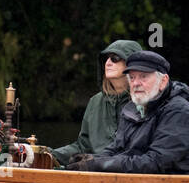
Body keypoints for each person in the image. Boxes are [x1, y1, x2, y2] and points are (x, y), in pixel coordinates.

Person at [65, 50, 189, 174]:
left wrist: (97, 165)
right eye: (132, 77)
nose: (136, 83)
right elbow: (116, 149)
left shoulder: (180, 113)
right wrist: (89, 159)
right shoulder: (131, 108)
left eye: (143, 76)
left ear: (163, 81)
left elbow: (154, 162)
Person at [51, 39, 142, 169]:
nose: (108, 63)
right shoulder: (95, 101)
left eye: (115, 58)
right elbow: (82, 146)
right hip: (94, 174)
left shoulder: (145, 102)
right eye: (106, 58)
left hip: (127, 174)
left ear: (132, 65)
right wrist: (46, 153)